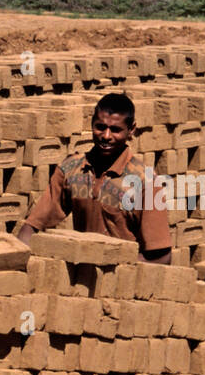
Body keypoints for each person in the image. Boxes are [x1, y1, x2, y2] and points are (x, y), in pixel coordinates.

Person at [16, 92, 172, 264]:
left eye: (115, 130)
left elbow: (162, 256)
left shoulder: (146, 183)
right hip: (80, 279)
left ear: (131, 130)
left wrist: (121, 270)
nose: (106, 136)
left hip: (122, 279)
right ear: (91, 124)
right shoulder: (71, 169)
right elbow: (31, 227)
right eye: (100, 127)